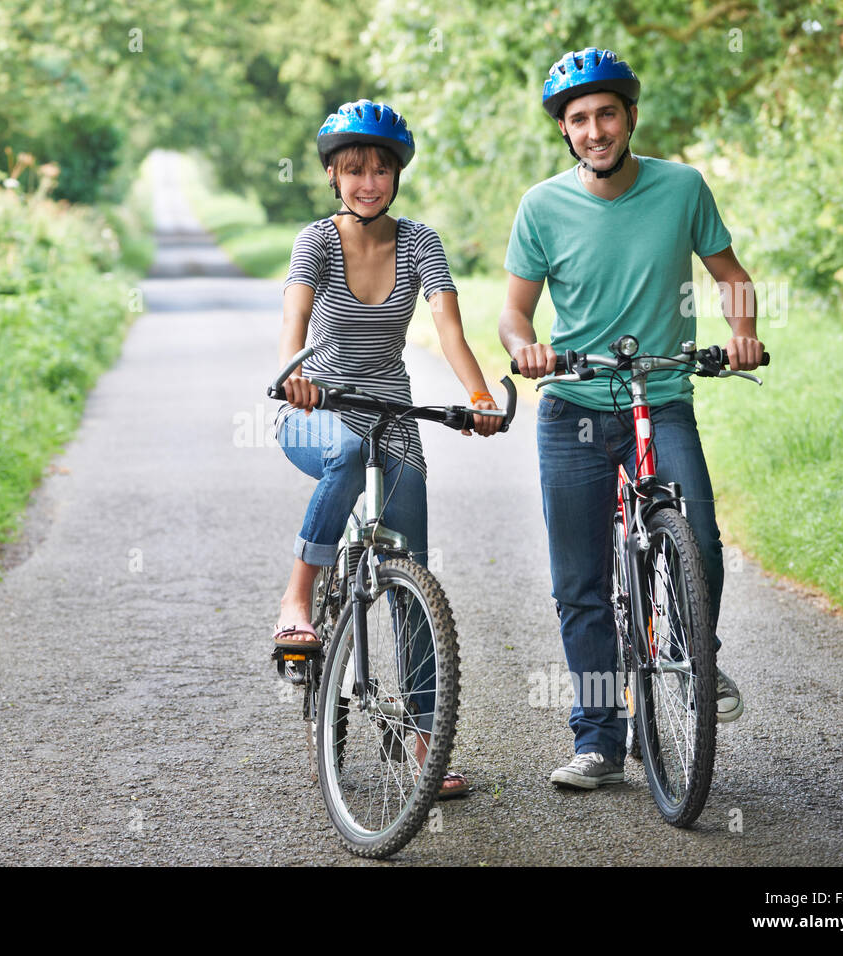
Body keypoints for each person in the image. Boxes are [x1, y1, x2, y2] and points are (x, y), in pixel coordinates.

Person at [499, 49, 763, 789]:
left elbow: (732, 279)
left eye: (605, 114)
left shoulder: (681, 188)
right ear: (565, 130)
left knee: (700, 538)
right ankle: (598, 742)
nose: (594, 129)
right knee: (580, 585)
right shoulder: (542, 205)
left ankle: (690, 654)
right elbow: (514, 313)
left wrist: (740, 333)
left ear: (629, 117)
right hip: (576, 406)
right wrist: (527, 350)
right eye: (578, 119)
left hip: (662, 395)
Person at [273, 99, 502, 799]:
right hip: (317, 409)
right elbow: (295, 315)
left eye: (380, 169)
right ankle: (298, 598)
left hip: (392, 410)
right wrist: (295, 373)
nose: (367, 182)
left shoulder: (420, 242)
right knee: (345, 456)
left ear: (396, 174)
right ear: (333, 177)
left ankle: (425, 744)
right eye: (353, 170)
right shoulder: (316, 241)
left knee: (412, 576)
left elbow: (446, 323)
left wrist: (479, 393)